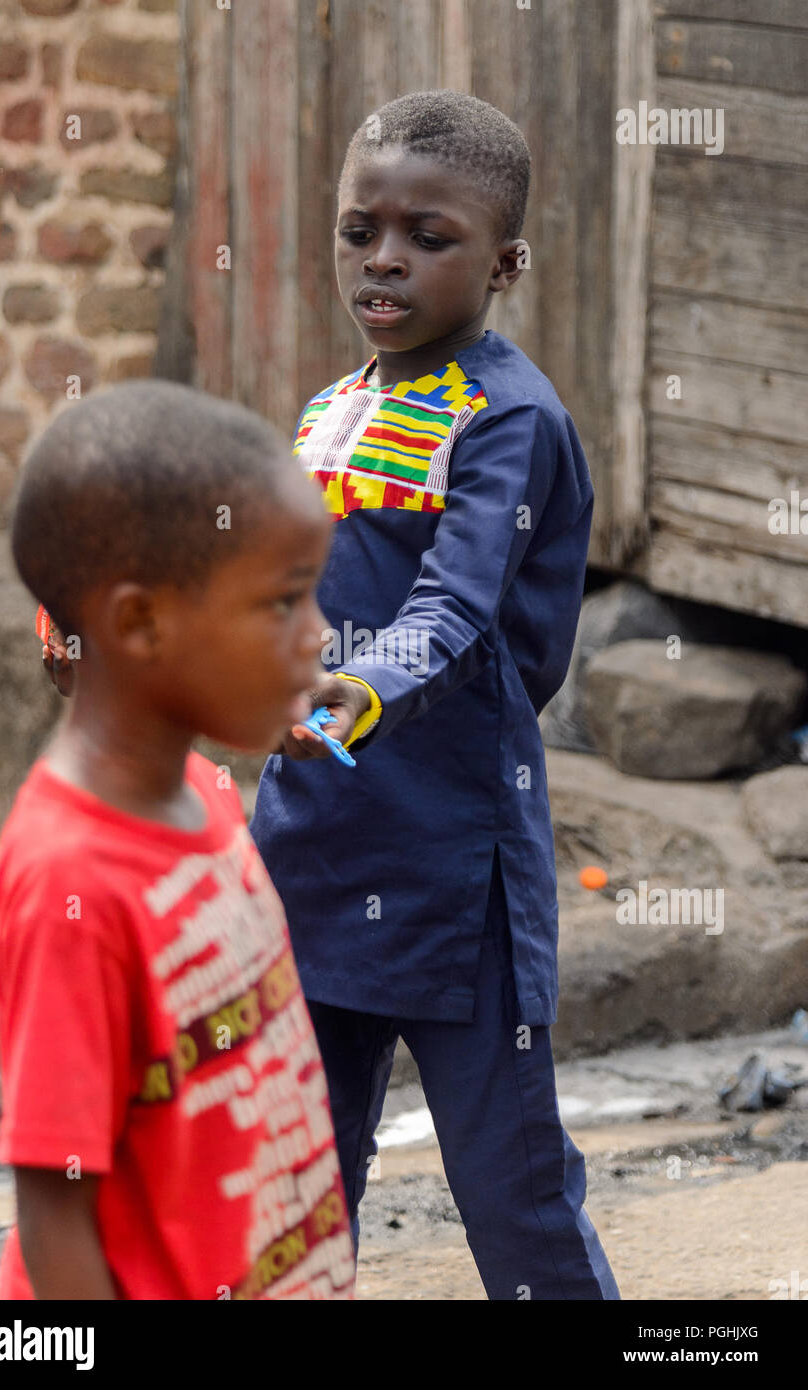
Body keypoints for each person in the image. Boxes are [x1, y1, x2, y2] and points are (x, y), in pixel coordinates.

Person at [249, 90, 621, 1300]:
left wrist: (360, 693)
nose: (385, 259)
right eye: (361, 230)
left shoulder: (506, 416)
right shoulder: (328, 411)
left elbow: (455, 611)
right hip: (311, 849)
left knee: (512, 1198)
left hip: (454, 864)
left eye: (428, 234)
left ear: (505, 260)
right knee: (297, 1197)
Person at [0, 381, 356, 1300]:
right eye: (282, 603)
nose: (319, 637)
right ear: (141, 623)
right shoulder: (70, 883)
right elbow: (55, 1214)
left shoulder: (204, 793)